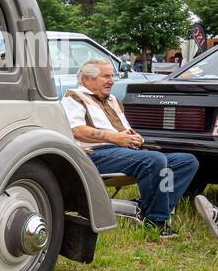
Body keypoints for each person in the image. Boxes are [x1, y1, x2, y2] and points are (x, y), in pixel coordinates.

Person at [64, 58, 199, 238]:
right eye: (106, 76)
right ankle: (156, 222)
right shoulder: (73, 98)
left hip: (123, 153)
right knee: (154, 160)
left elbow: (122, 129)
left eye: (112, 76)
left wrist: (134, 137)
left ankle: (145, 207)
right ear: (87, 79)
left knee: (186, 162)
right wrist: (115, 138)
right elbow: (76, 130)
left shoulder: (112, 100)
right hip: (94, 155)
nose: (111, 80)